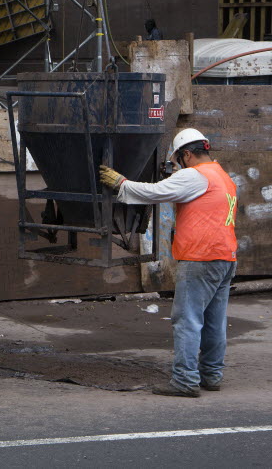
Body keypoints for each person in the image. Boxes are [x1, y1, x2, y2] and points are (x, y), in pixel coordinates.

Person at [98, 128, 237, 397]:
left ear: (187, 155)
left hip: (200, 259)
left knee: (187, 320)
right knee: (214, 322)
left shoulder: (195, 175)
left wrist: (121, 183)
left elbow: (156, 192)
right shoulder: (222, 176)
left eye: (177, 160)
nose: (177, 166)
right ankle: (211, 375)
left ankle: (185, 380)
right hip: (225, 258)